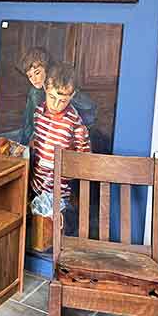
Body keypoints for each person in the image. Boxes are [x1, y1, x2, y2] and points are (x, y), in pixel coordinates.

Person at [31, 63, 91, 208]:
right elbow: (36, 141)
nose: (55, 105)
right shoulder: (38, 113)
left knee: (50, 228)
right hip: (35, 185)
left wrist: (67, 169)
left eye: (63, 100)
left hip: (58, 194)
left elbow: (84, 159)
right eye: (52, 97)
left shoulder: (75, 124)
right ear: (45, 88)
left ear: (72, 95)